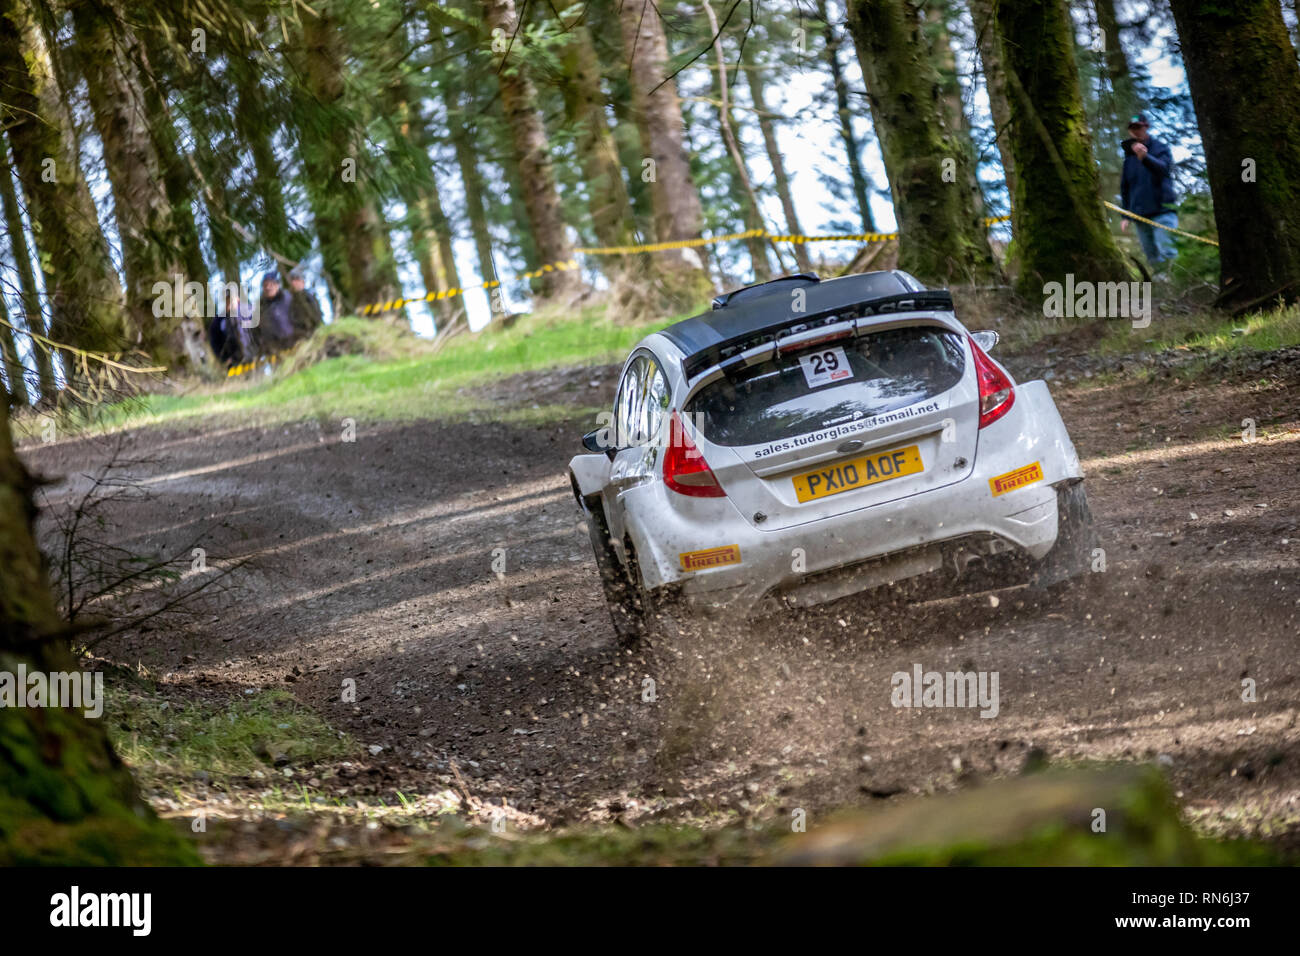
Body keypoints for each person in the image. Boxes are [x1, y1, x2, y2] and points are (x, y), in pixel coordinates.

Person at [1120, 112, 1178, 270]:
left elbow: (1164, 169)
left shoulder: (1160, 148)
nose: (1135, 131)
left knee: (1168, 252)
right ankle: (1163, 289)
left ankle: (1179, 286)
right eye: (1132, 128)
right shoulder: (1128, 159)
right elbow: (1125, 188)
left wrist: (1145, 157)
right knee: (1151, 256)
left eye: (1138, 127)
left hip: (1163, 211)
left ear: (1146, 127)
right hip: (1140, 215)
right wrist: (1125, 215)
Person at [209, 289, 253, 368]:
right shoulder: (219, 322)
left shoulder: (250, 311)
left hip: (256, 354)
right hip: (236, 362)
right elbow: (215, 342)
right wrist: (225, 359)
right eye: (226, 302)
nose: (229, 304)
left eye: (231, 300)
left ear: (237, 299)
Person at [256, 270, 295, 354]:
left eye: (271, 284)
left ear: (277, 285)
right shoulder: (260, 307)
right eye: (265, 285)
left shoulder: (288, 298)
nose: (268, 287)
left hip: (296, 343)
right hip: (277, 349)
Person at [288, 267, 323, 341]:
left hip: (313, 332)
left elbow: (317, 316)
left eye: (297, 279)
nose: (295, 282)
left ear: (303, 281)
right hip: (297, 336)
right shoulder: (288, 299)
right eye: (293, 280)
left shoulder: (310, 296)